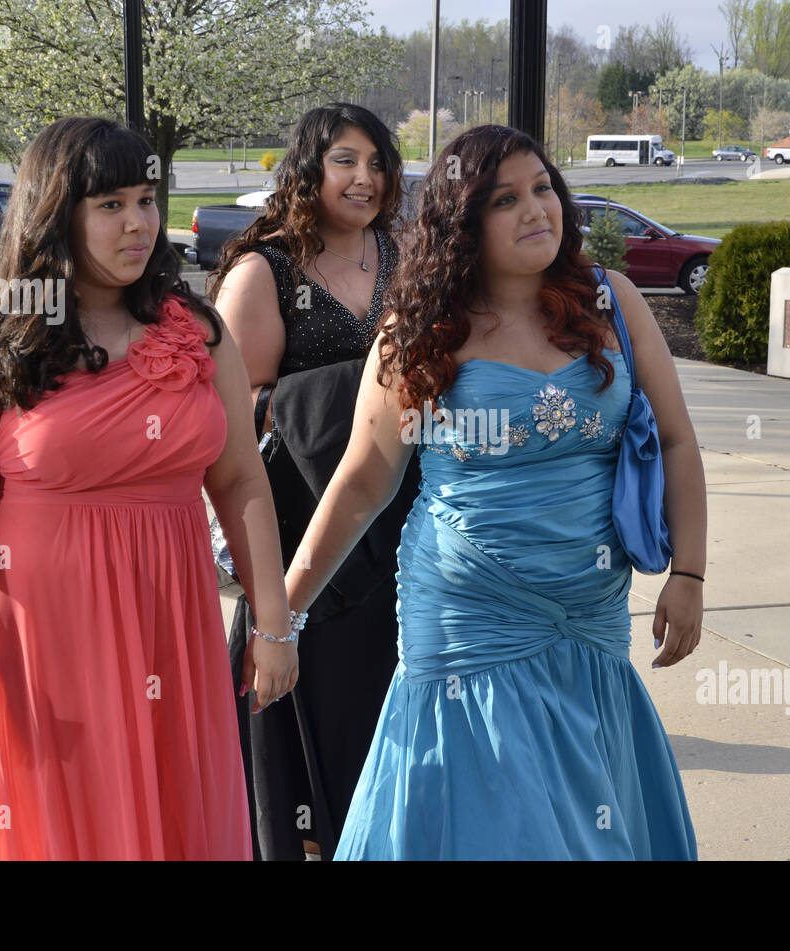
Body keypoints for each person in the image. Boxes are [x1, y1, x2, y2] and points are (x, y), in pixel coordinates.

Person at [285, 124, 707, 859]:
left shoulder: (614, 303)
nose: (537, 209)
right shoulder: (420, 331)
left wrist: (691, 573)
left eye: (543, 187)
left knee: (582, 814)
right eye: (506, 199)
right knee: (494, 817)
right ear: (463, 224)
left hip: (587, 609)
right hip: (465, 610)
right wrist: (281, 608)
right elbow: (364, 478)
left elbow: (675, 439)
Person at [0, 116, 297, 860]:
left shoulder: (200, 330)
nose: (139, 223)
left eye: (146, 199)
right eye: (111, 204)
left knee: (185, 823)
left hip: (173, 635)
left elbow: (243, 480)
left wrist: (273, 621)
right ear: (57, 213)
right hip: (41, 649)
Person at [206, 103, 420, 861]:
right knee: (314, 722)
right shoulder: (265, 271)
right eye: (344, 161)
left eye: (376, 162)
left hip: (402, 526)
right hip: (304, 530)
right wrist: (361, 391)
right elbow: (237, 414)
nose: (365, 178)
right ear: (307, 169)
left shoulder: (403, 256)